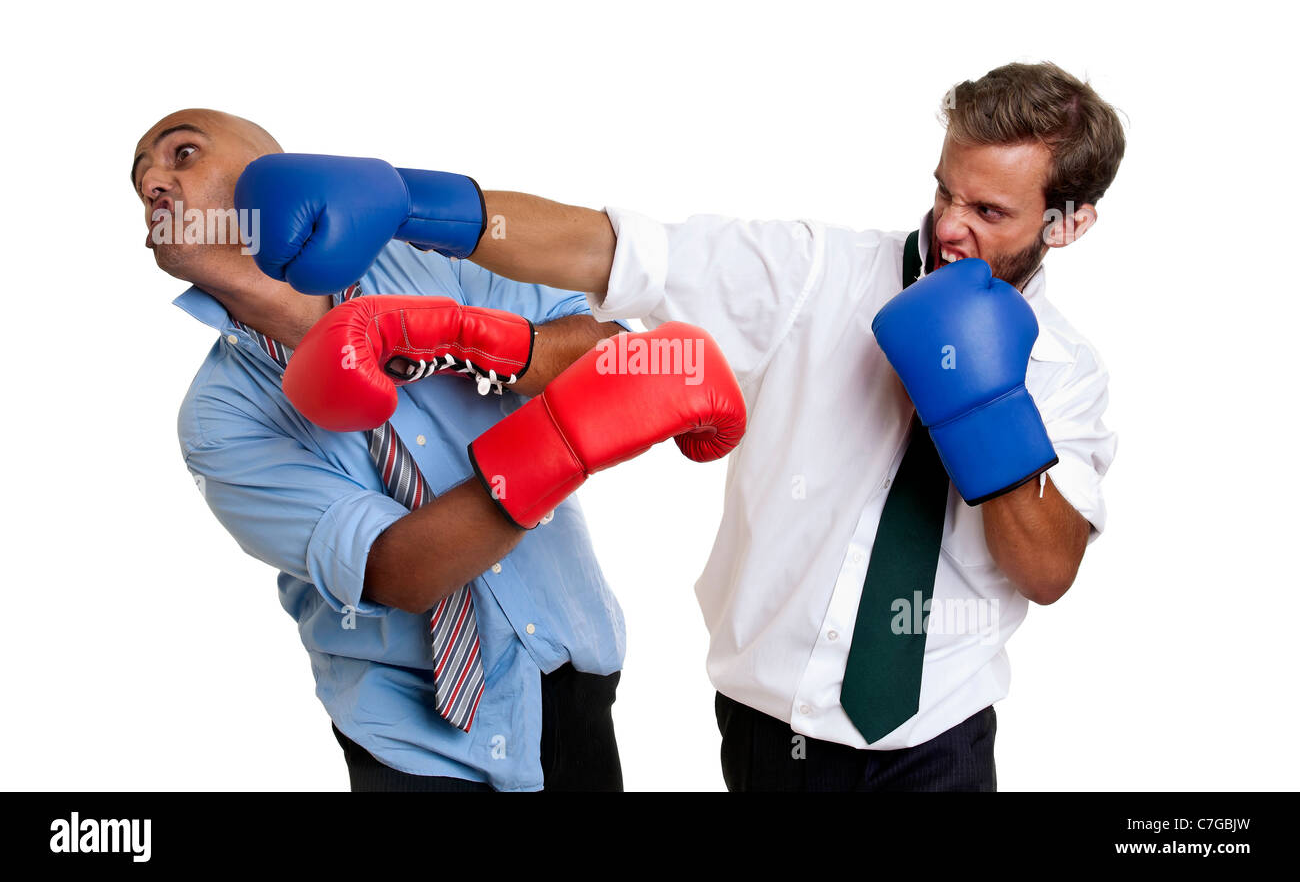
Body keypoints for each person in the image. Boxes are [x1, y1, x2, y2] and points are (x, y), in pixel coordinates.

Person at [239, 59, 1124, 792]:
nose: (949, 227)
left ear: (1068, 222)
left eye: (990, 212)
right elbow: (617, 250)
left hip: (938, 745)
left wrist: (988, 401)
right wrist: (413, 205)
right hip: (771, 733)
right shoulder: (818, 275)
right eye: (944, 192)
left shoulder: (1066, 372)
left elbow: (1046, 570)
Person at [130, 108, 746, 792]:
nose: (154, 180)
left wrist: (480, 341)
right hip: (417, 747)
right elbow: (398, 571)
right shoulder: (220, 417)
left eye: (181, 153)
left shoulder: (425, 255)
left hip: (571, 681)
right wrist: (560, 444)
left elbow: (611, 348)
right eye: (141, 177)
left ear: (273, 168)